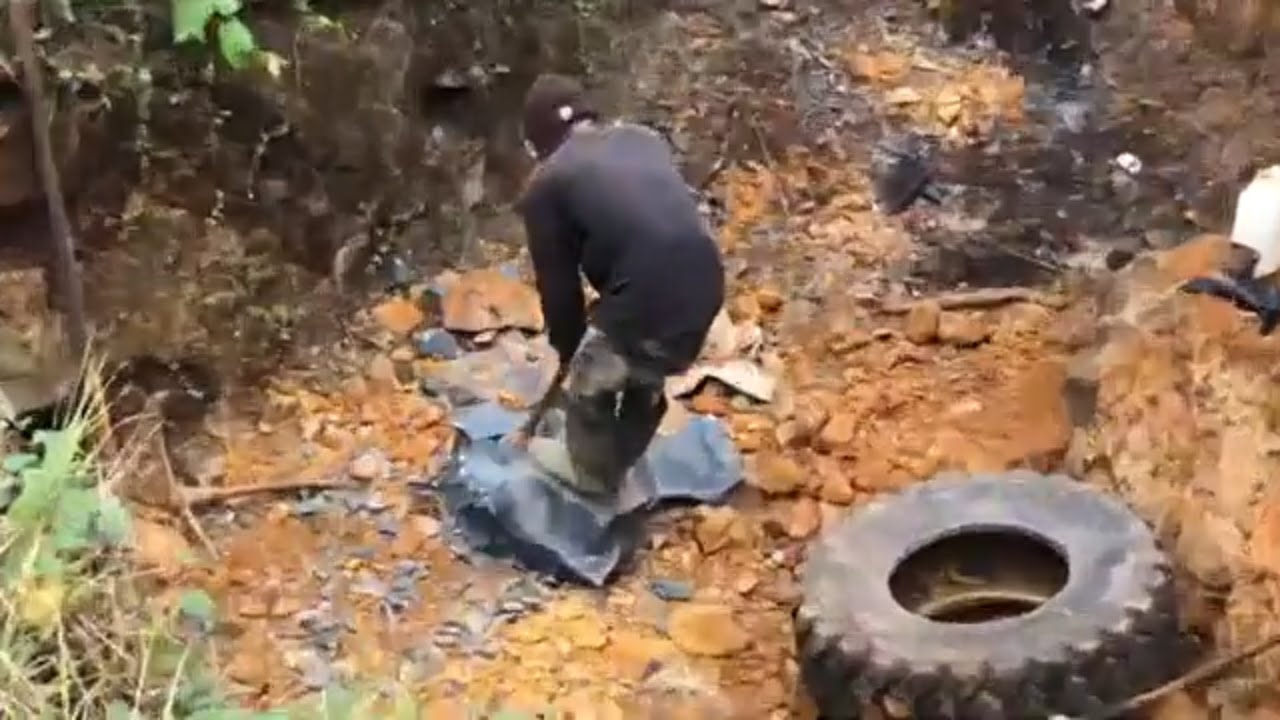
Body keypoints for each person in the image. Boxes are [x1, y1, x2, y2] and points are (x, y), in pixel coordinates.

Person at [515, 73, 725, 498]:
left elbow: (559, 291)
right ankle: (624, 449)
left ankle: (592, 477)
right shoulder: (642, 138)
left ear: (536, 140)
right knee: (644, 368)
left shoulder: (547, 183)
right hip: (707, 281)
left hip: (644, 288)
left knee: (594, 375)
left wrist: (569, 353)